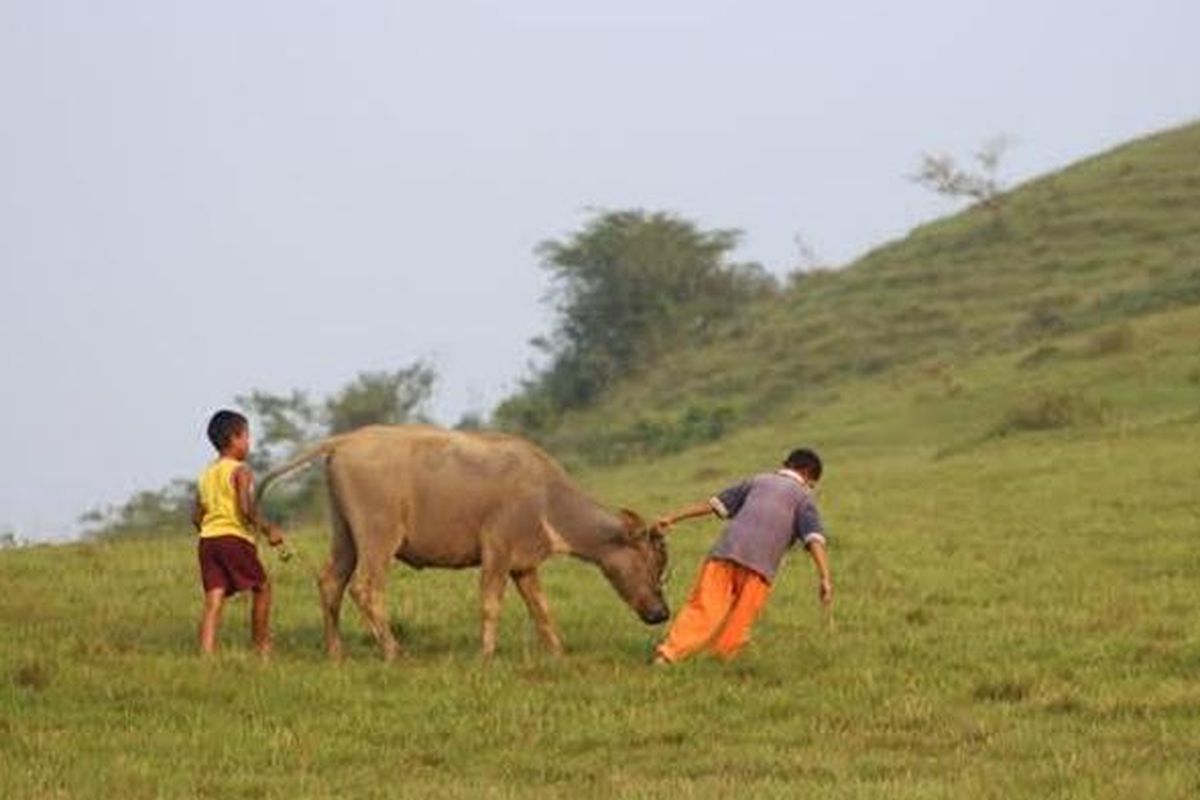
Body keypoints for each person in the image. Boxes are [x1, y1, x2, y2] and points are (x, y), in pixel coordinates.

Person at [651, 448, 831, 664]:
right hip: (761, 567)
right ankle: (720, 660)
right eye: (812, 484)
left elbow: (712, 505)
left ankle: (669, 654)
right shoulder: (804, 497)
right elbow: (815, 540)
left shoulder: (757, 481)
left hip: (726, 553)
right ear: (807, 475)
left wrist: (672, 517)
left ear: (785, 464)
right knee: (740, 619)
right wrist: (824, 577)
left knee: (703, 607)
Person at [192, 409, 286, 656]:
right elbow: (245, 508)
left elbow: (196, 516)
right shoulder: (240, 470)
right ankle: (261, 645)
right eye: (246, 436)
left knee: (214, 598)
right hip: (234, 538)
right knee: (263, 588)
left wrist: (212, 530)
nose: (248, 443)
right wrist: (268, 529)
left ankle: (206, 654)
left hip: (207, 541)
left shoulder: (206, 474)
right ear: (234, 439)